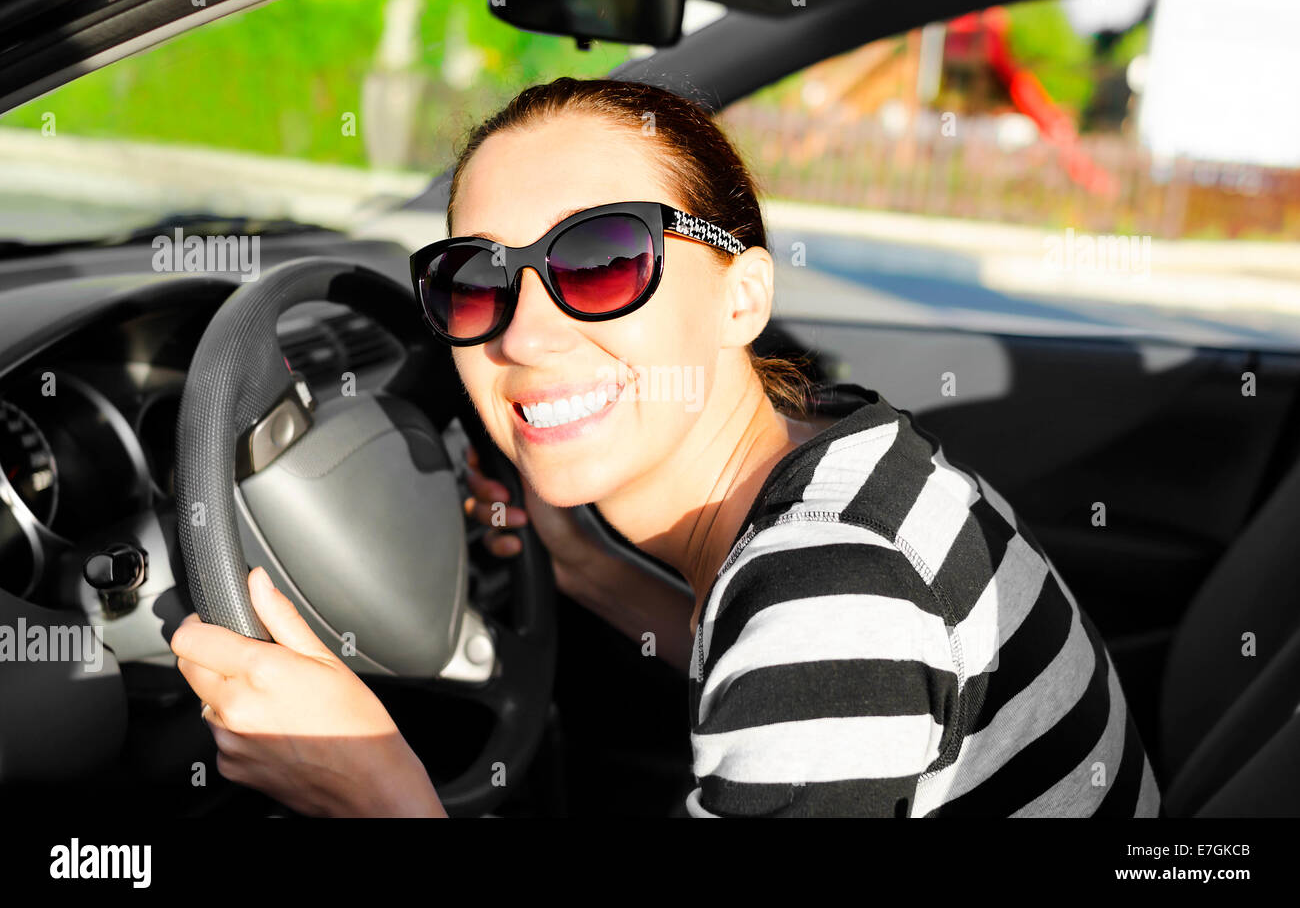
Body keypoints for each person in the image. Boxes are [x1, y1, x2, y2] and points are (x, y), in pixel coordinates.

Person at [170, 76, 1162, 818]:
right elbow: (770, 664)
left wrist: (378, 792)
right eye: (474, 279)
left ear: (744, 297)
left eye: (600, 262)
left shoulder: (839, 594)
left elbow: (816, 657)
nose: (521, 335)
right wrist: (588, 570)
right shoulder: (854, 458)